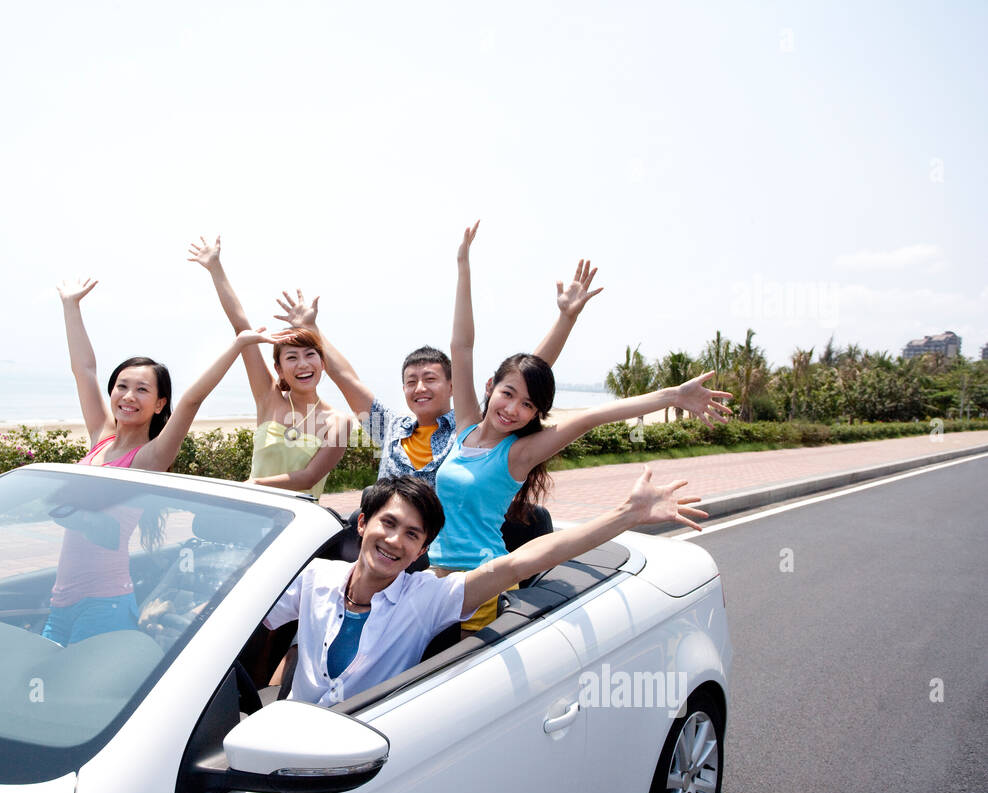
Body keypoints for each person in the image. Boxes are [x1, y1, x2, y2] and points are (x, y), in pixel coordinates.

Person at [431, 232, 734, 632]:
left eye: (528, 405)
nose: (514, 409)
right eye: (508, 394)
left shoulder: (517, 454)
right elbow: (462, 347)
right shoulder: (467, 426)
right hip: (434, 579)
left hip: (480, 585)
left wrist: (672, 396)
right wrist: (463, 265)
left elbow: (592, 416)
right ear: (491, 386)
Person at [265, 472, 706, 706]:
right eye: (388, 523)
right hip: (283, 738)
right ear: (363, 523)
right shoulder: (314, 578)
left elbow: (524, 559)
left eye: (413, 535)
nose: (396, 541)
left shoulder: (428, 598)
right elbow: (240, 620)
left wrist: (626, 515)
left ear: (423, 549)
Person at [43, 275, 282, 645]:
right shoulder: (101, 437)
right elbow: (84, 370)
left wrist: (237, 346)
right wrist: (71, 307)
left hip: (104, 604)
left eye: (142, 390)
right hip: (62, 601)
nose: (128, 395)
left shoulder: (149, 458)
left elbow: (190, 400)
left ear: (159, 405)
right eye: (122, 385)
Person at [311, 220, 603, 486]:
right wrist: (312, 328)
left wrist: (566, 319)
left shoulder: (469, 428)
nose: (419, 387)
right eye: (411, 381)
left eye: (429, 378)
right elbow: (345, 378)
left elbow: (525, 374)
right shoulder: (389, 428)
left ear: (452, 386)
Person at [188, 237, 352, 496]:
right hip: (252, 512)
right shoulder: (268, 397)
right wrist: (215, 268)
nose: (302, 364)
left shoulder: (340, 422)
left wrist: (254, 484)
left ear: (322, 363)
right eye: (291, 357)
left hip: (300, 523)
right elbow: (242, 326)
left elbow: (309, 477)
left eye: (310, 355)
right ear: (278, 368)